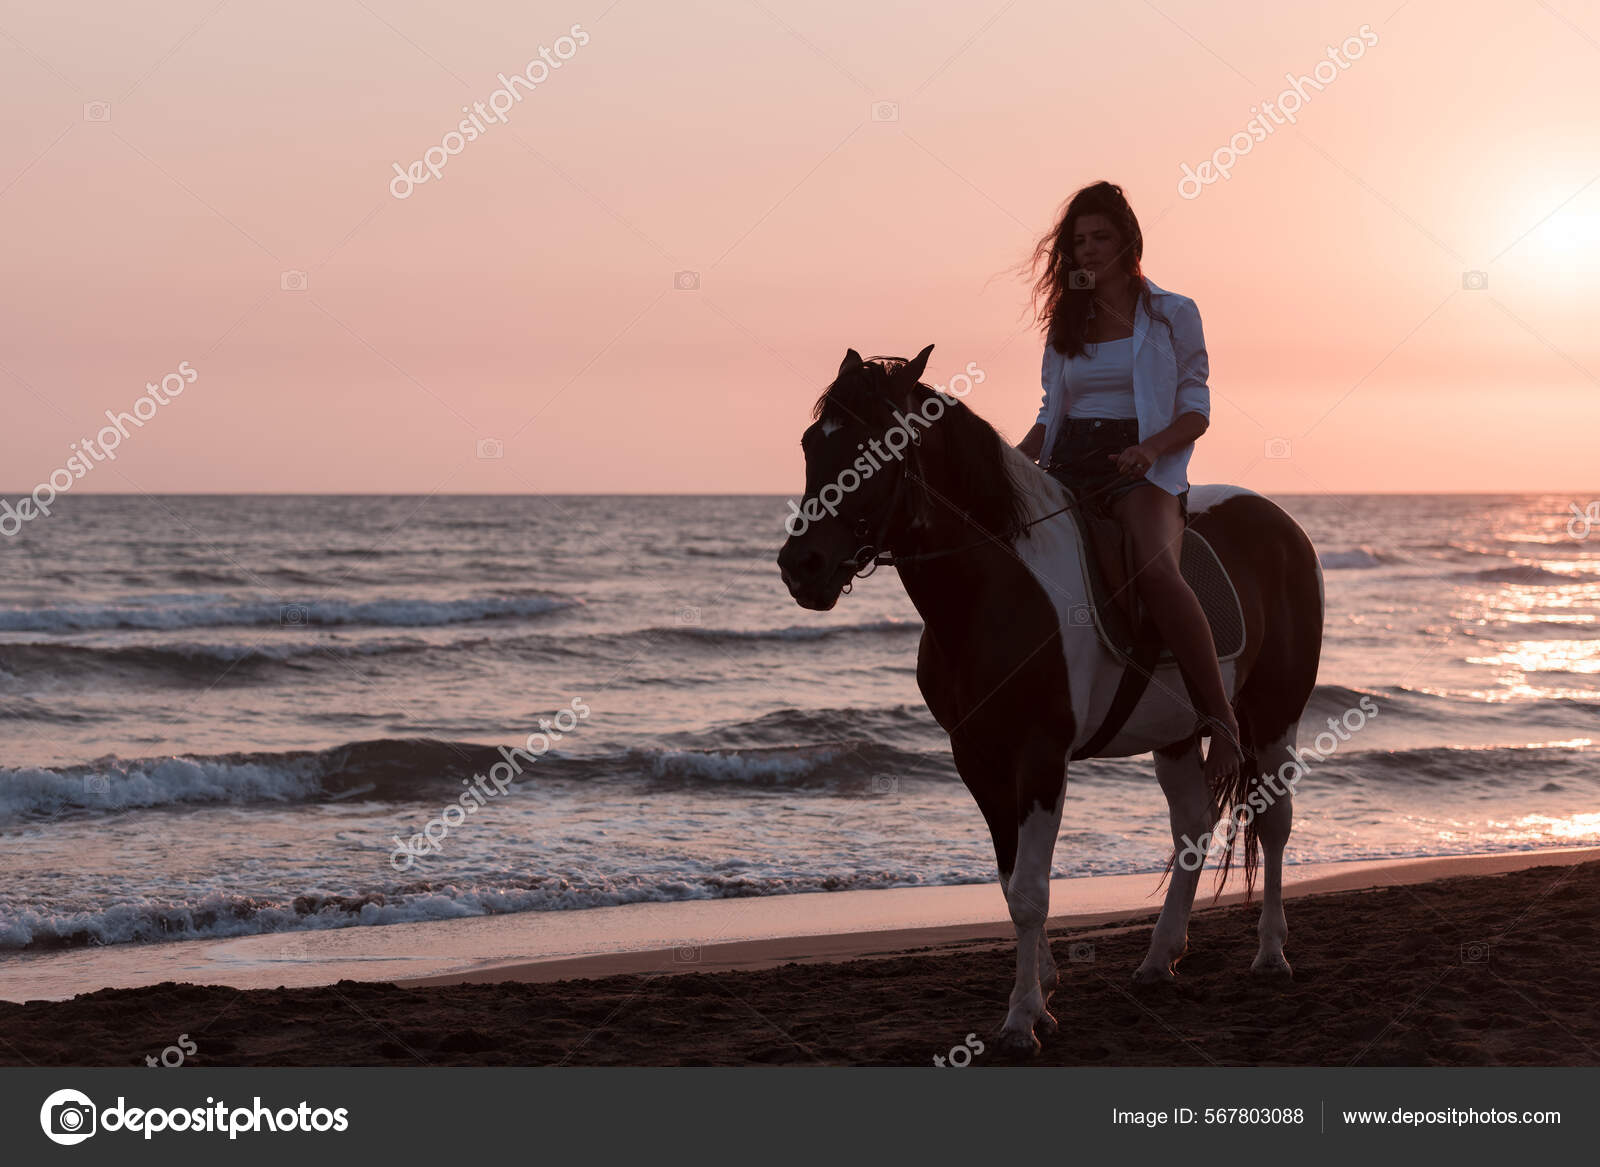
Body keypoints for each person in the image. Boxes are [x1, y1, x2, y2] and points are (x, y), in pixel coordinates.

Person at [1016, 180, 1242, 783]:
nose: (1087, 251)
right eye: (1078, 241)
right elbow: (1049, 414)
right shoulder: (1068, 320)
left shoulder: (1172, 312)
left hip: (1146, 467)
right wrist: (1013, 462)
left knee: (1156, 570)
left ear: (1128, 241)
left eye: (1100, 238)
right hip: (1070, 461)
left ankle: (1221, 720)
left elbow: (1197, 409)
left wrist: (1150, 450)